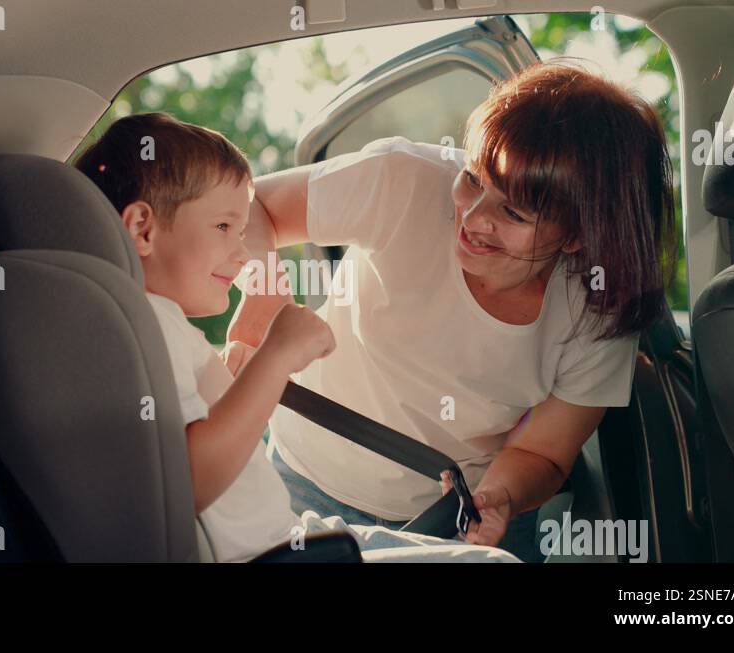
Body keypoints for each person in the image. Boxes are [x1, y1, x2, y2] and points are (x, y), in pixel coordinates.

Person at [227, 60, 678, 563]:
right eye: (472, 177)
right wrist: (264, 292)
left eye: (512, 212)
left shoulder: (600, 314)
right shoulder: (405, 181)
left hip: (454, 529)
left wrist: (500, 498)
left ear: (576, 234)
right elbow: (250, 208)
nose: (473, 215)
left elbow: (543, 452)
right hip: (301, 486)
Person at [74, 112, 518, 563]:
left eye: (243, 231)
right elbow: (188, 484)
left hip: (287, 538)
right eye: (224, 227)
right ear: (142, 229)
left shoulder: (130, 327)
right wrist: (277, 352)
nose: (243, 252)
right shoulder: (150, 330)